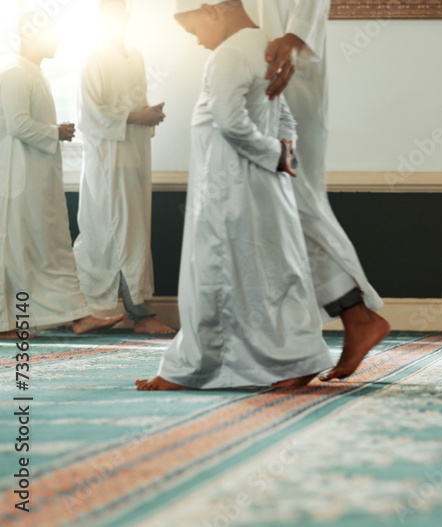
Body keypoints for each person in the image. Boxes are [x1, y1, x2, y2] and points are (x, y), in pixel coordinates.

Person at [136, 0, 333, 390]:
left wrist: (275, 154)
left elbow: (229, 121)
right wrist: (285, 154)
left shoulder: (228, 55)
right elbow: (283, 114)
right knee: (271, 275)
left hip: (229, 190)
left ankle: (192, 369)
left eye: (194, 31)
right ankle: (295, 360)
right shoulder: (266, 45)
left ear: (214, 11)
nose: (196, 42)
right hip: (265, 186)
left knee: (212, 275)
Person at [241, 0, 389, 380]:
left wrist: (292, 39)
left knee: (293, 198)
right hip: (254, 68)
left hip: (287, 72)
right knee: (279, 205)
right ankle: (333, 327)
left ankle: (328, 332)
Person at [0, 11, 124, 339]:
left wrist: (56, 132)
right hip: (18, 181)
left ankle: (74, 315)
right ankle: (8, 323)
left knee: (48, 248)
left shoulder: (29, 72)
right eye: (53, 35)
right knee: (20, 252)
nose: (58, 42)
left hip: (34, 180)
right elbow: (17, 124)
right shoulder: (14, 72)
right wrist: (55, 132)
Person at [73, 0, 175, 335]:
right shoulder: (95, 58)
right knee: (104, 231)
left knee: (134, 233)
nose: (116, 19)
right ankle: (87, 310)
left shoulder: (135, 56)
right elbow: (90, 115)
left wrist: (148, 113)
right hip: (107, 161)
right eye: (109, 14)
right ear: (102, 18)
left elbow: (132, 102)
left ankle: (141, 314)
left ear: (127, 16)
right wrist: (135, 117)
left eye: (120, 13)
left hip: (135, 157)